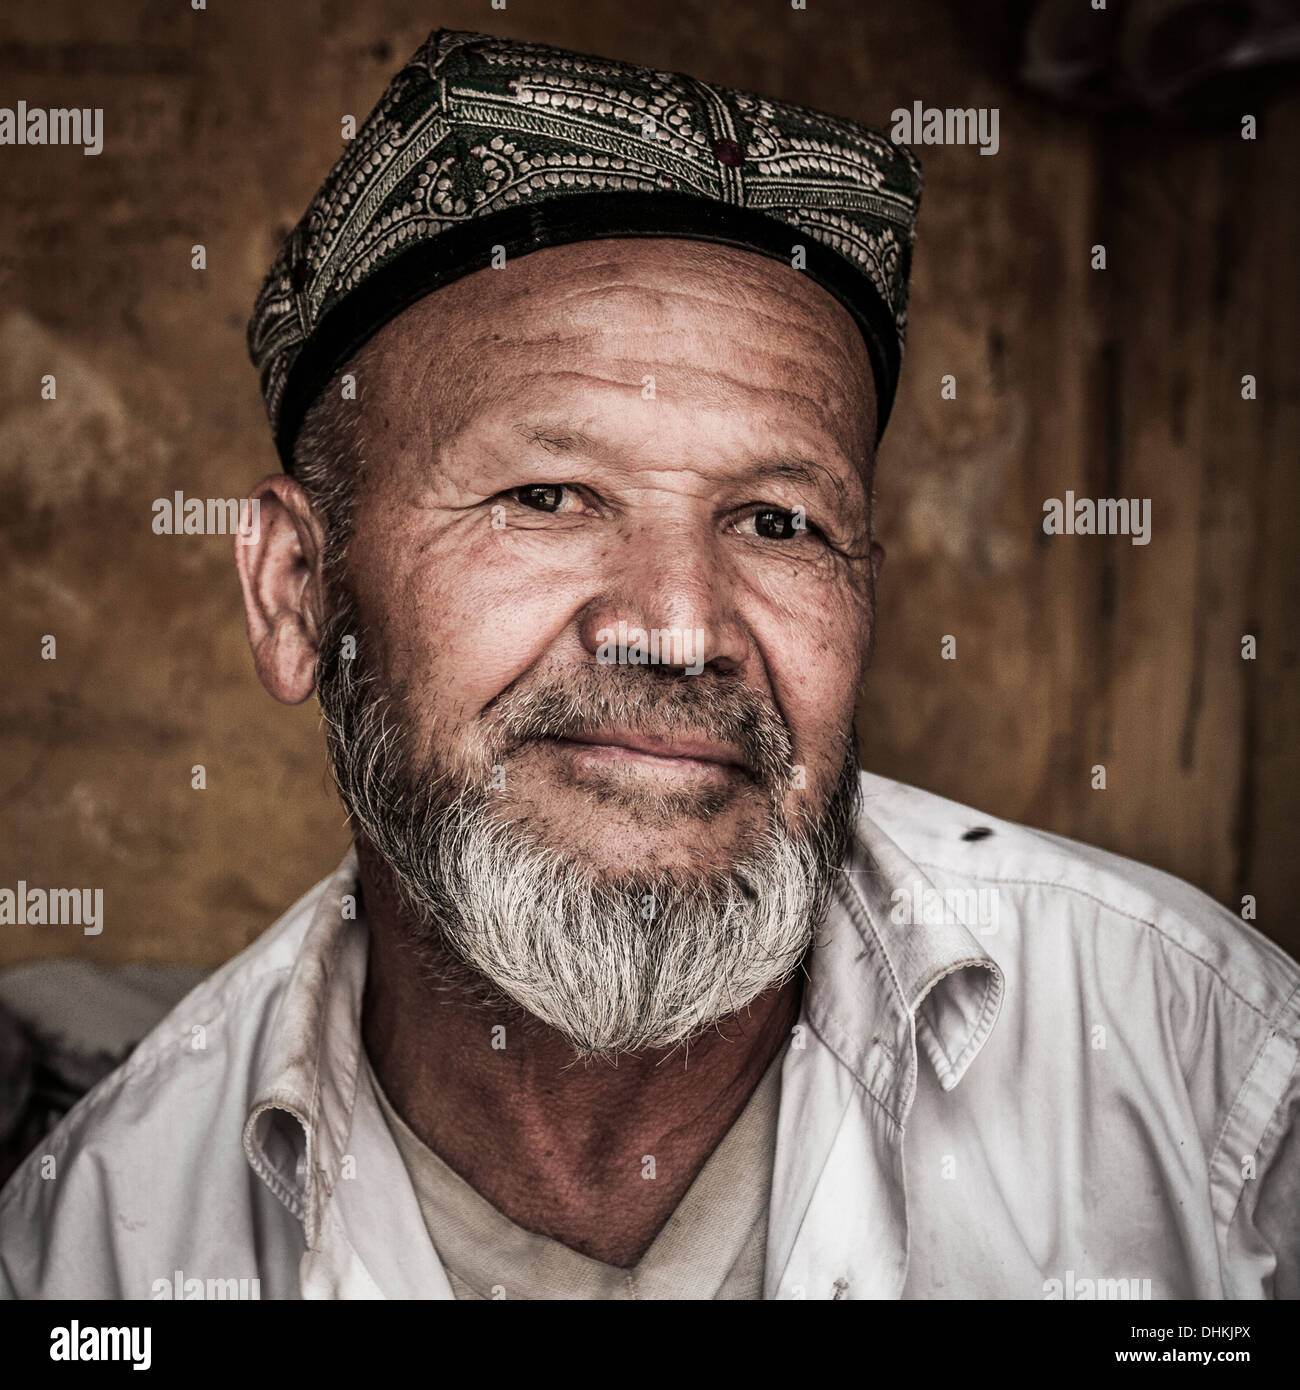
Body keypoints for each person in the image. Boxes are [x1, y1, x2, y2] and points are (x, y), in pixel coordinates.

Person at [1, 28, 1295, 1301]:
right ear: (297, 590)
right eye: (550, 495)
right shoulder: (96, 1245)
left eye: (780, 523)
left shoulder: (1209, 1086)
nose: (681, 628)